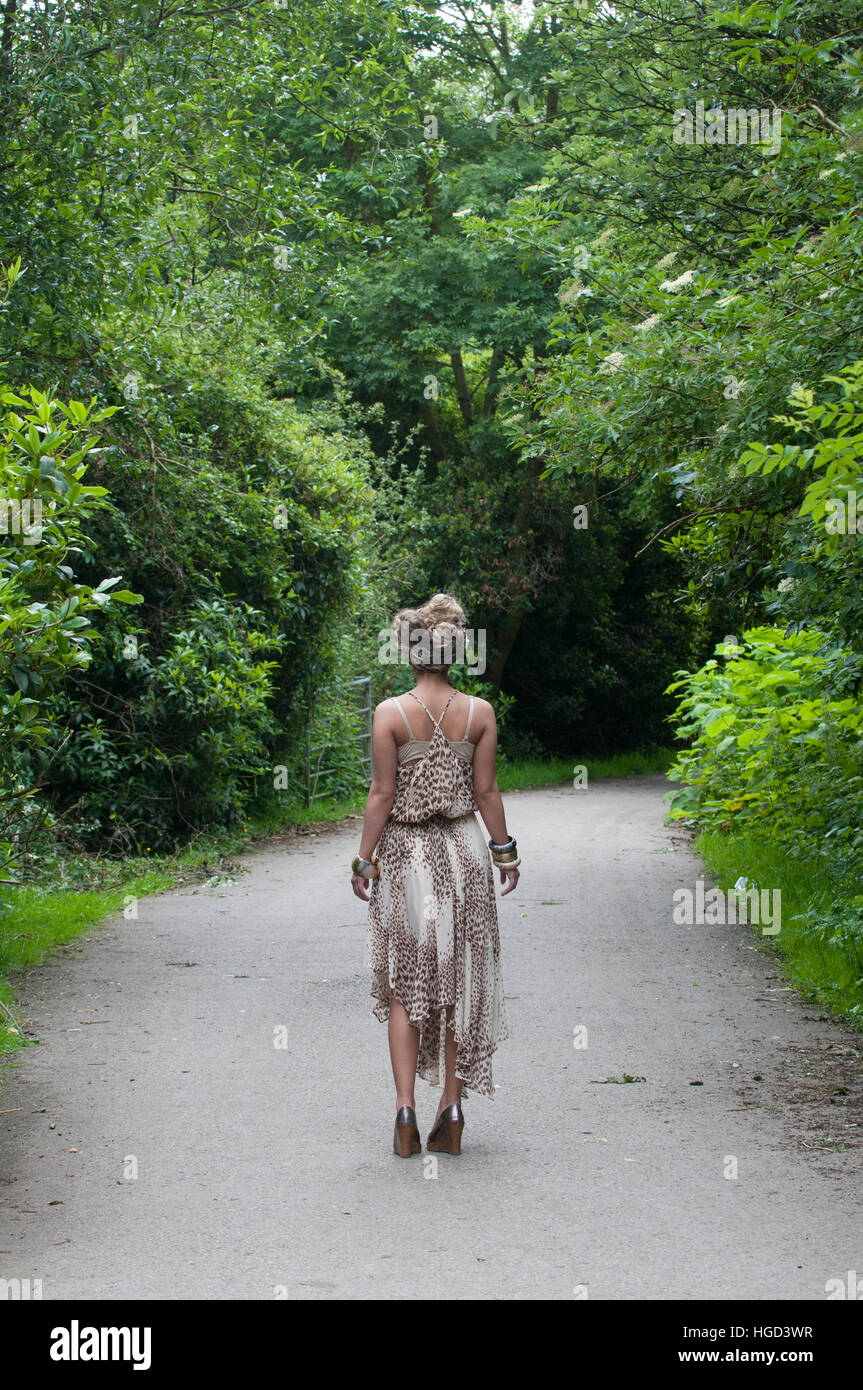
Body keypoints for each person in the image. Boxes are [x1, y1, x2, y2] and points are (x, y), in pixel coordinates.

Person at [350, 594, 519, 1157]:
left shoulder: (389, 715)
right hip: (465, 855)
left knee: (408, 981)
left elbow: (382, 793)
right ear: (454, 652)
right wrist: (505, 853)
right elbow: (487, 792)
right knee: (459, 982)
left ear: (409, 650)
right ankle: (451, 1108)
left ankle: (405, 1110)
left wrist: (365, 858)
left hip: (409, 859)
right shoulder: (481, 713)